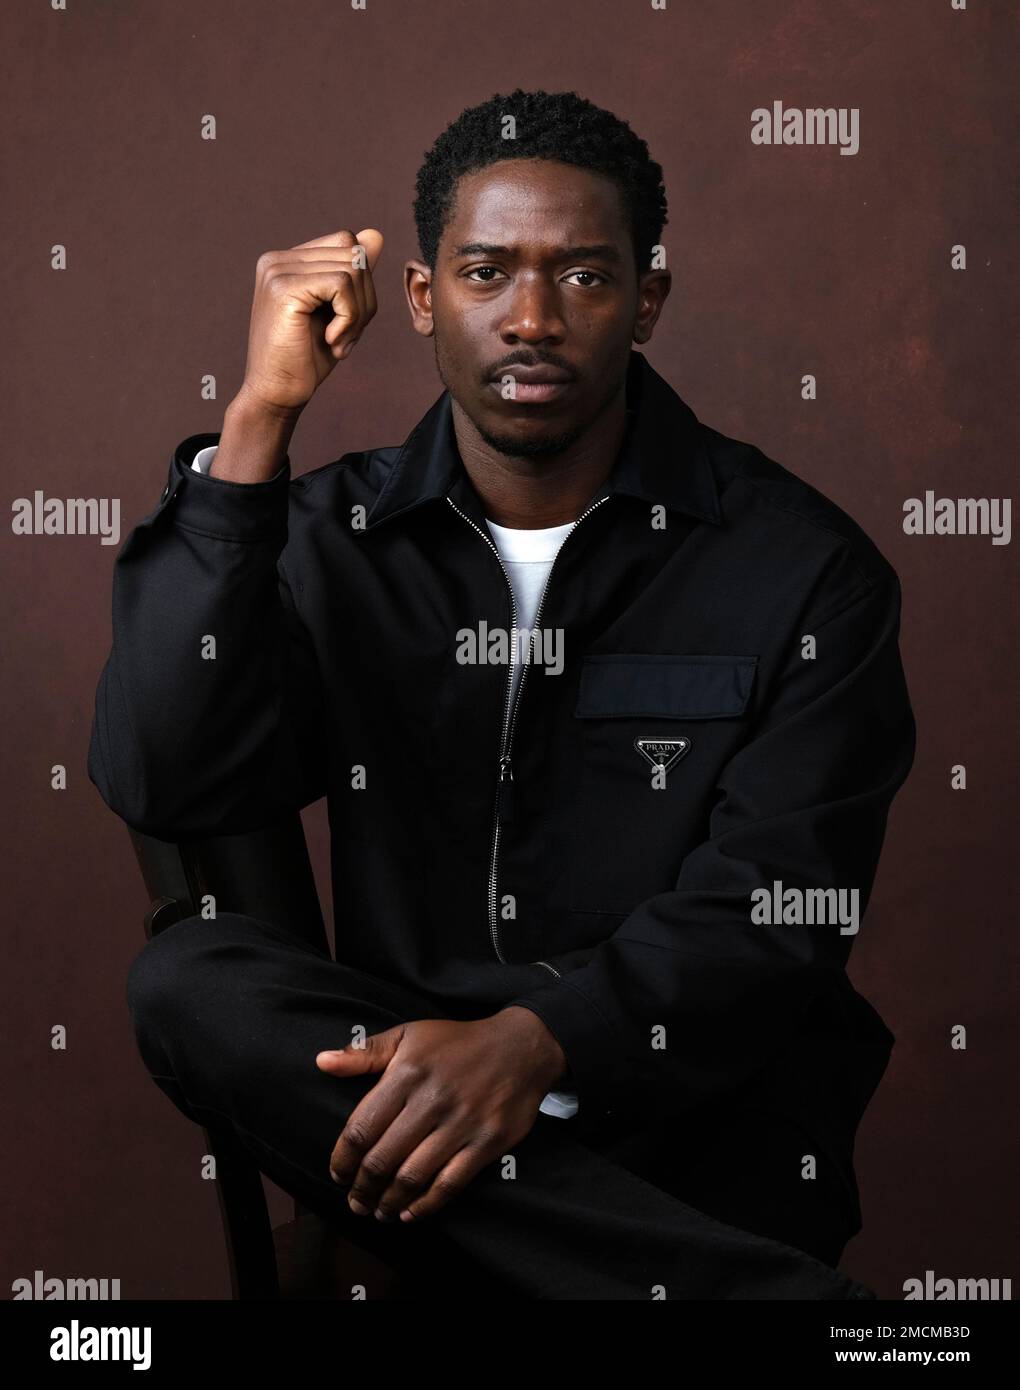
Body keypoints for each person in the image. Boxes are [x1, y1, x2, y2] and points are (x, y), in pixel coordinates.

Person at [87, 88, 915, 1300]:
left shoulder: (803, 567)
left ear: (648, 303)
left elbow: (781, 906)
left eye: (583, 277)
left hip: (690, 1116)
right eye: (486, 273)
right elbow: (163, 773)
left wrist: (541, 1041)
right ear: (424, 299)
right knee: (184, 980)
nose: (531, 318)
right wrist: (257, 425)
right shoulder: (327, 537)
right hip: (404, 1097)